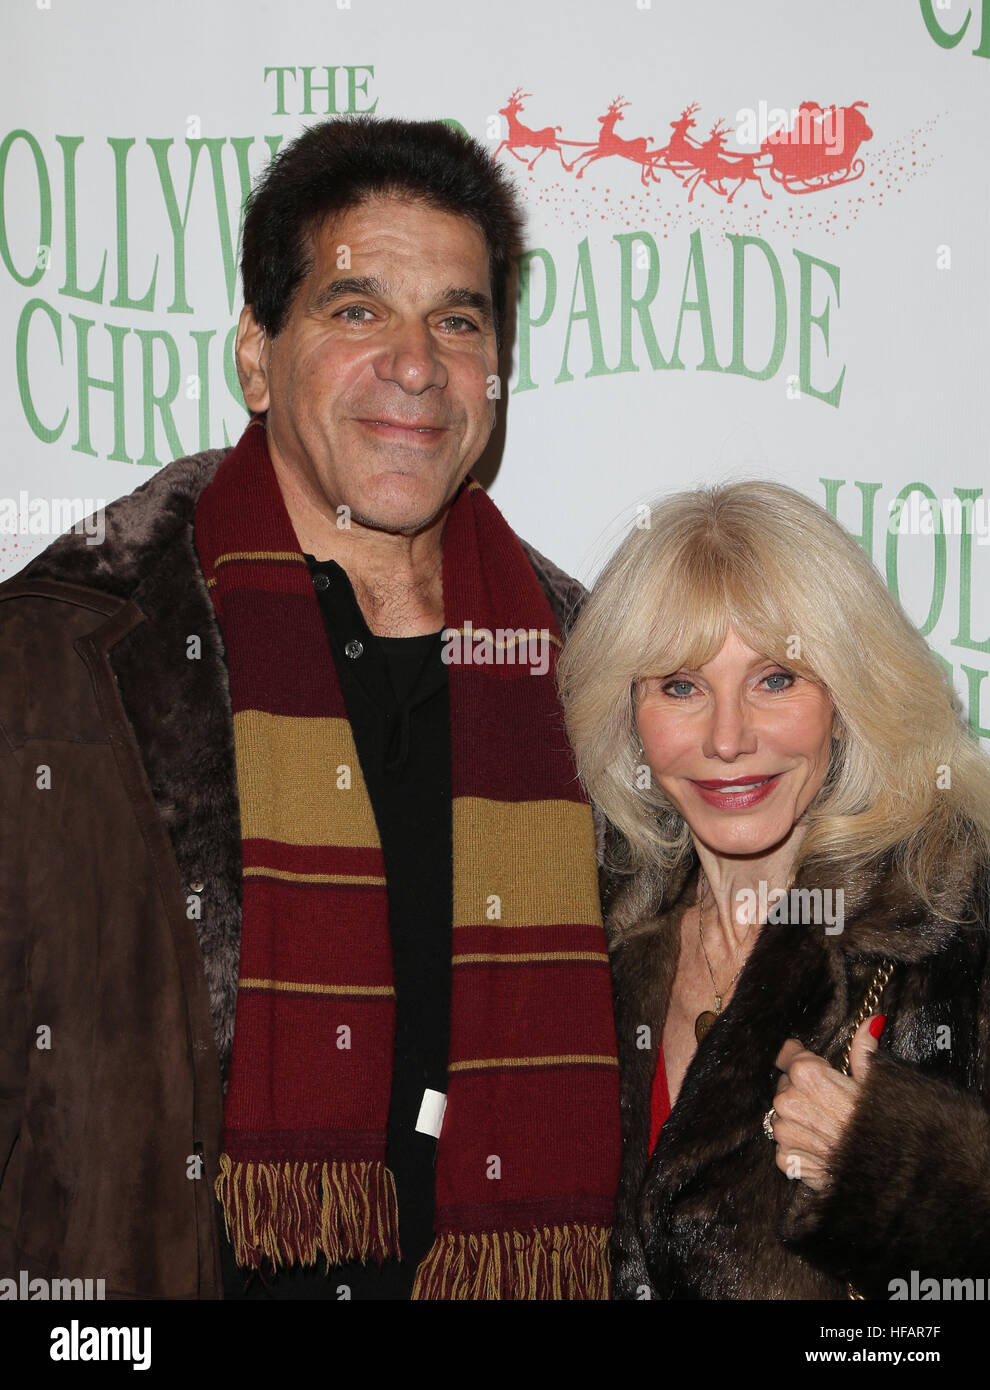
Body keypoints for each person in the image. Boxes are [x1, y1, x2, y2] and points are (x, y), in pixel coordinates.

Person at [0, 116, 621, 1301]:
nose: (416, 362)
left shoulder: (599, 670)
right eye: (356, 309)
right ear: (254, 353)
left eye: (459, 317)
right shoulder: (60, 658)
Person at [558, 480, 990, 1299]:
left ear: (847, 698)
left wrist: (894, 1172)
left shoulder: (953, 917)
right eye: (681, 687)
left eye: (777, 679)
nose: (728, 739)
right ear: (627, 714)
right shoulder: (586, 934)